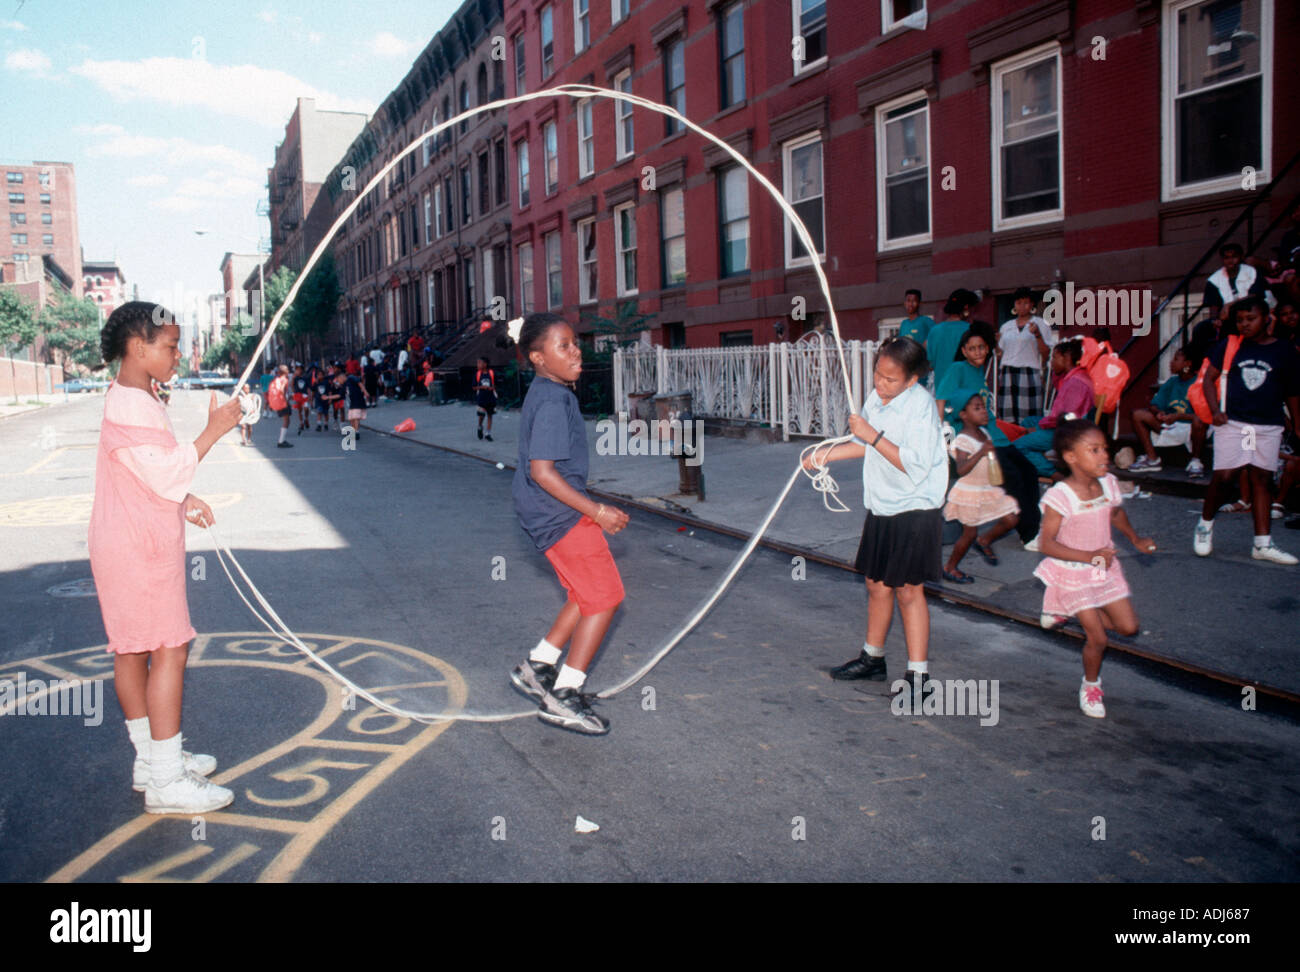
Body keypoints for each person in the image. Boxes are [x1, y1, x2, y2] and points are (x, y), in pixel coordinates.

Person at [89, 301, 243, 812]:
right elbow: (165, 469)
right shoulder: (132, 403)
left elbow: (147, 474)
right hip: (140, 550)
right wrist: (216, 430)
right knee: (170, 650)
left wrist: (184, 497)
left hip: (126, 540)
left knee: (132, 649)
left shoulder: (134, 395)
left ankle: (151, 760)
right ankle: (166, 780)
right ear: (139, 347)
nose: (178, 355)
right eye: (171, 346)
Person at [508, 312, 629, 735]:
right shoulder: (555, 401)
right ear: (538, 358)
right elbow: (543, 470)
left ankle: (538, 665)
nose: (575, 350)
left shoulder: (548, 392)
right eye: (563, 345)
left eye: (575, 342)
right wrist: (596, 511)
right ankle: (565, 693)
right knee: (606, 596)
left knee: (584, 592)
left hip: (543, 511)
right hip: (558, 514)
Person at [805, 337, 948, 695]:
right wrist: (825, 456)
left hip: (915, 508)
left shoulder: (921, 406)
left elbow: (910, 463)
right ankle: (873, 659)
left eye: (890, 380)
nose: (880, 385)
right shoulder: (877, 399)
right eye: (877, 375)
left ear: (912, 380)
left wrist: (872, 433)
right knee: (876, 584)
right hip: (884, 504)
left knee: (908, 590)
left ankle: (919, 677)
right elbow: (862, 444)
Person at [1035, 419, 1154, 718]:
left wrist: (1135, 539)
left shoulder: (1109, 484)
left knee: (1129, 628)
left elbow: (1115, 514)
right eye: (1094, 450)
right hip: (1072, 572)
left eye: (1105, 449)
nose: (1104, 456)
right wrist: (1089, 556)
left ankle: (1070, 611)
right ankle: (1090, 685)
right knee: (1098, 639)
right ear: (1071, 457)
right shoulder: (1060, 496)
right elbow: (1046, 544)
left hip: (1102, 568)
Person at [1194, 297, 1300, 564]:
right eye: (1240, 320)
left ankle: (1262, 544)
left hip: (1267, 425)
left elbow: (1293, 392)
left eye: (1250, 319)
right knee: (1225, 476)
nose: (1244, 324)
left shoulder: (1284, 350)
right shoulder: (1230, 346)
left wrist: (1298, 425)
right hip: (1235, 422)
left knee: (1262, 479)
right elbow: (1208, 378)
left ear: (1267, 318)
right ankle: (1205, 524)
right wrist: (1215, 409)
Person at [934, 329, 1042, 543]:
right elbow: (941, 401)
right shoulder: (958, 369)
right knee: (1014, 481)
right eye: (972, 348)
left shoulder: (979, 371)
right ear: (964, 351)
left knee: (1029, 471)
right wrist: (942, 438)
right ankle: (1029, 535)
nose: (978, 352)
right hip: (979, 440)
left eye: (981, 347)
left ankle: (1035, 526)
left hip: (997, 436)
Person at [941, 391, 1020, 583]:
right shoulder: (963, 440)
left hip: (986, 489)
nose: (984, 412)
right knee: (969, 534)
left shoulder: (984, 433)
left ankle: (985, 540)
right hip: (969, 492)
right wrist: (981, 453)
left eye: (983, 407)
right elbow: (961, 469)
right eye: (977, 408)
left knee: (1011, 518)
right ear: (963, 415)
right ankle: (950, 567)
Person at [1013, 339, 1095, 477]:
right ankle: (1037, 456)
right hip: (1063, 424)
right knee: (1028, 422)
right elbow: (1057, 383)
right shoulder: (1074, 375)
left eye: (1054, 358)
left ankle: (1053, 473)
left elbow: (1066, 418)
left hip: (1068, 431)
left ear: (1067, 358)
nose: (1051, 362)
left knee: (1018, 445)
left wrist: (1039, 428)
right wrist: (1038, 427)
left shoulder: (1076, 383)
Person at [1129, 346, 1206, 476]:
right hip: (1171, 424)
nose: (1171, 362)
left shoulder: (1199, 383)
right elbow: (1153, 405)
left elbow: (1203, 415)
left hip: (1191, 428)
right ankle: (1152, 459)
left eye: (1176, 359)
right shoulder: (1172, 382)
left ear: (1188, 364)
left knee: (1199, 420)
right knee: (1137, 414)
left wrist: (1178, 416)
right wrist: (1159, 412)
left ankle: (1196, 461)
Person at [997, 287, 1056, 424]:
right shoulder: (1006, 326)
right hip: (1007, 373)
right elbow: (999, 354)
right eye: (1018, 303)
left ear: (1032, 305)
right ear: (1014, 305)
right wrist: (995, 343)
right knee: (1008, 416)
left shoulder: (1041, 324)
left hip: (1029, 372)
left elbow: (1046, 353)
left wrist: (1037, 334)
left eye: (1026, 303)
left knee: (1029, 416)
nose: (1022, 306)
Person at [926, 288, 979, 390]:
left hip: (942, 394)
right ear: (966, 307)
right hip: (966, 393)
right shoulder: (971, 330)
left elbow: (931, 364)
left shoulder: (934, 331)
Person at [334, 369, 368, 442]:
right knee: (351, 418)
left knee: (355, 417)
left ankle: (357, 432)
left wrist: (365, 392)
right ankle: (354, 431)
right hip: (351, 402)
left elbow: (359, 383)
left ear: (341, 377)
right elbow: (339, 395)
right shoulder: (344, 386)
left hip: (358, 400)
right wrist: (327, 397)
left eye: (338, 380)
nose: (339, 382)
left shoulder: (351, 378)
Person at [267, 364, 293, 449]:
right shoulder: (284, 379)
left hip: (278, 401)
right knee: (286, 421)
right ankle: (281, 441)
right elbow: (282, 390)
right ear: (285, 372)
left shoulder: (277, 379)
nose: (288, 371)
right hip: (283, 402)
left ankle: (282, 440)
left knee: (286, 420)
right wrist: (286, 400)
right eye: (287, 369)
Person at [475, 357, 497, 440]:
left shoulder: (491, 373)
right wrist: (482, 387)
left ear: (485, 364)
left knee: (490, 415)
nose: (478, 365)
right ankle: (480, 426)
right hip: (481, 398)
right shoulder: (478, 374)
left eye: (479, 363)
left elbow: (495, 384)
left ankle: (488, 433)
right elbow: (474, 387)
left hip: (490, 398)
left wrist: (492, 388)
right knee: (481, 416)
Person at [291, 363, 311, 435]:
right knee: (299, 410)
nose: (298, 371)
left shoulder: (306, 378)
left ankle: (306, 418)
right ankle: (301, 422)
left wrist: (310, 396)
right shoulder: (295, 378)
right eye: (297, 369)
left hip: (304, 395)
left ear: (302, 370)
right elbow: (292, 385)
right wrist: (293, 393)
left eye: (300, 369)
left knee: (306, 408)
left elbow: (308, 388)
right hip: (298, 395)